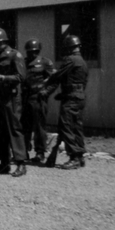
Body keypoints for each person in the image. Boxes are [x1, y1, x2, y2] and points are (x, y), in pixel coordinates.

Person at [44, 35, 89, 169]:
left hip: (71, 98)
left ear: (68, 48)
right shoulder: (83, 61)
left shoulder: (70, 59)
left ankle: (74, 157)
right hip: (79, 96)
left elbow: (59, 75)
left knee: (67, 125)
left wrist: (47, 80)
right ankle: (80, 156)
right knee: (77, 127)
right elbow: (82, 82)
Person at [0, 28, 28, 177]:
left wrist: (4, 78)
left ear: (3, 42)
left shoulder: (15, 55)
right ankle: (4, 162)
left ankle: (21, 163)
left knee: (14, 129)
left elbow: (21, 77)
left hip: (11, 99)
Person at [21, 39, 55, 163]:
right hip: (26, 99)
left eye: (35, 51)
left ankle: (40, 153)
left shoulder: (45, 63)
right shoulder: (23, 63)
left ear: (38, 51)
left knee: (39, 127)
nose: (32, 54)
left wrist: (47, 92)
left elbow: (54, 80)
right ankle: (23, 152)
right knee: (25, 127)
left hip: (38, 99)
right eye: (30, 52)